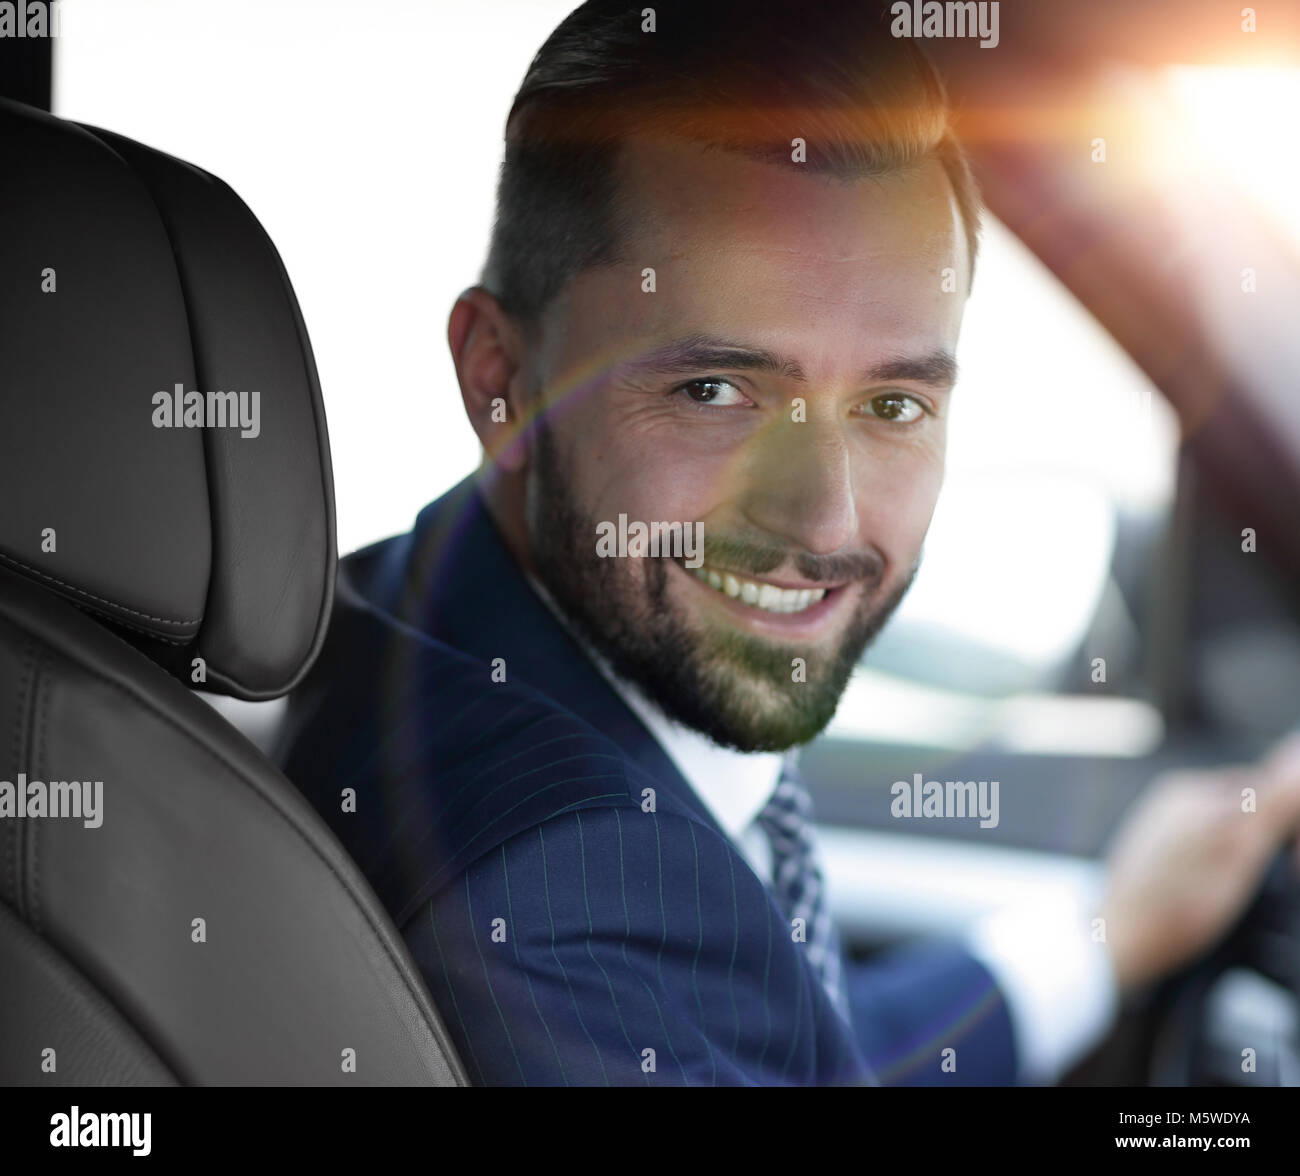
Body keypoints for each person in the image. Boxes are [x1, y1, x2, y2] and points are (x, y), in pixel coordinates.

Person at [278, 0, 1300, 1085]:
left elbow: (793, 1043)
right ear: (501, 380)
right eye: (716, 390)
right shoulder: (553, 901)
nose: (825, 522)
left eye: (892, 406)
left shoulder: (432, 605)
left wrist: (1101, 937)